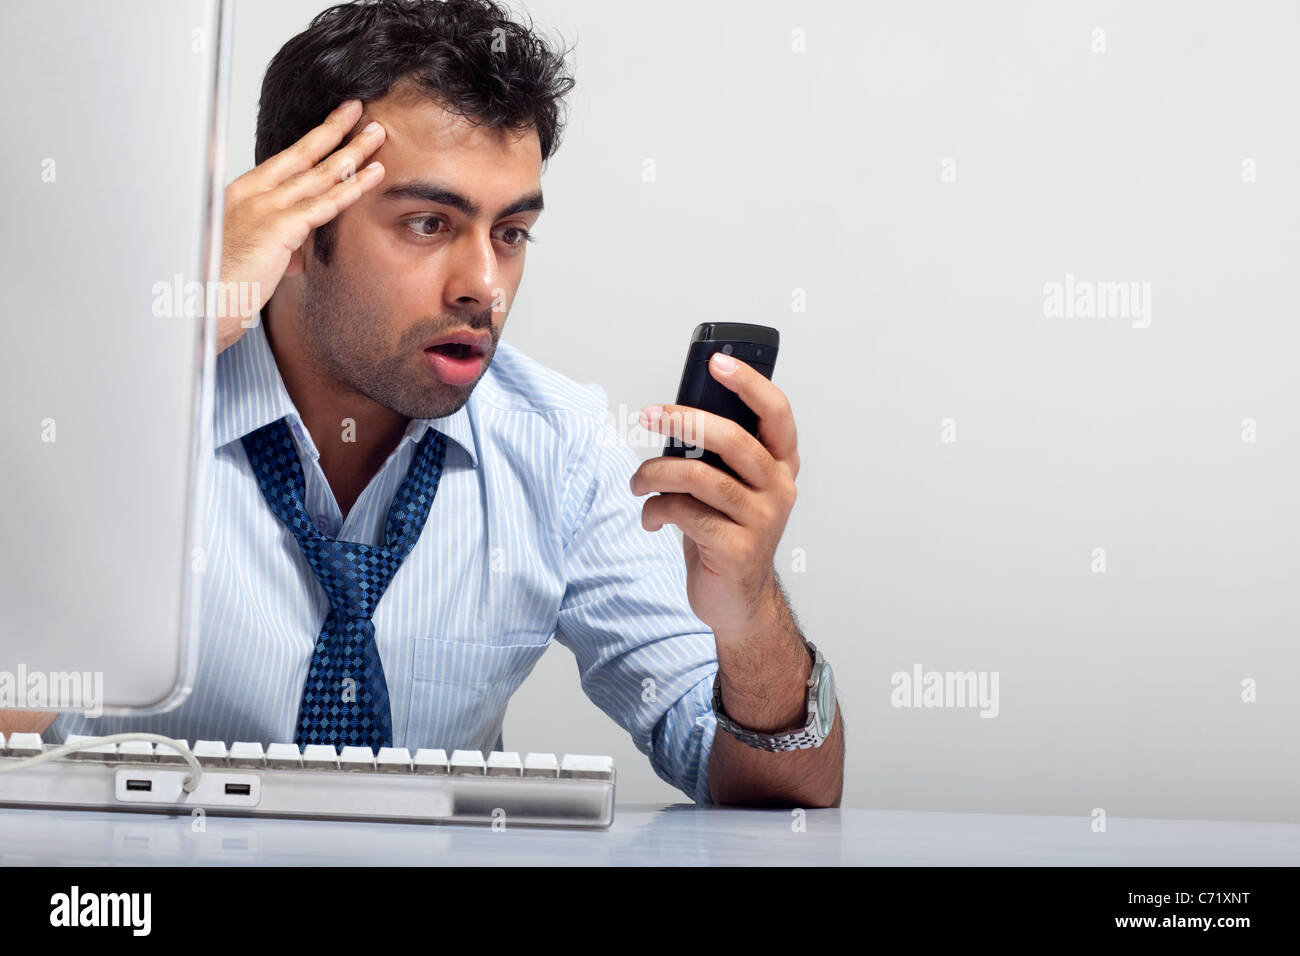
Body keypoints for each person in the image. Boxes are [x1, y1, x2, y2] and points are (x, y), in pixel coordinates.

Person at [3, 0, 842, 807]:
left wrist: (748, 614)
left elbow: (789, 789)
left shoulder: (561, 445)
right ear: (295, 223)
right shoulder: (70, 408)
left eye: (510, 233)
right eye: (429, 224)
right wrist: (148, 363)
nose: (484, 286)